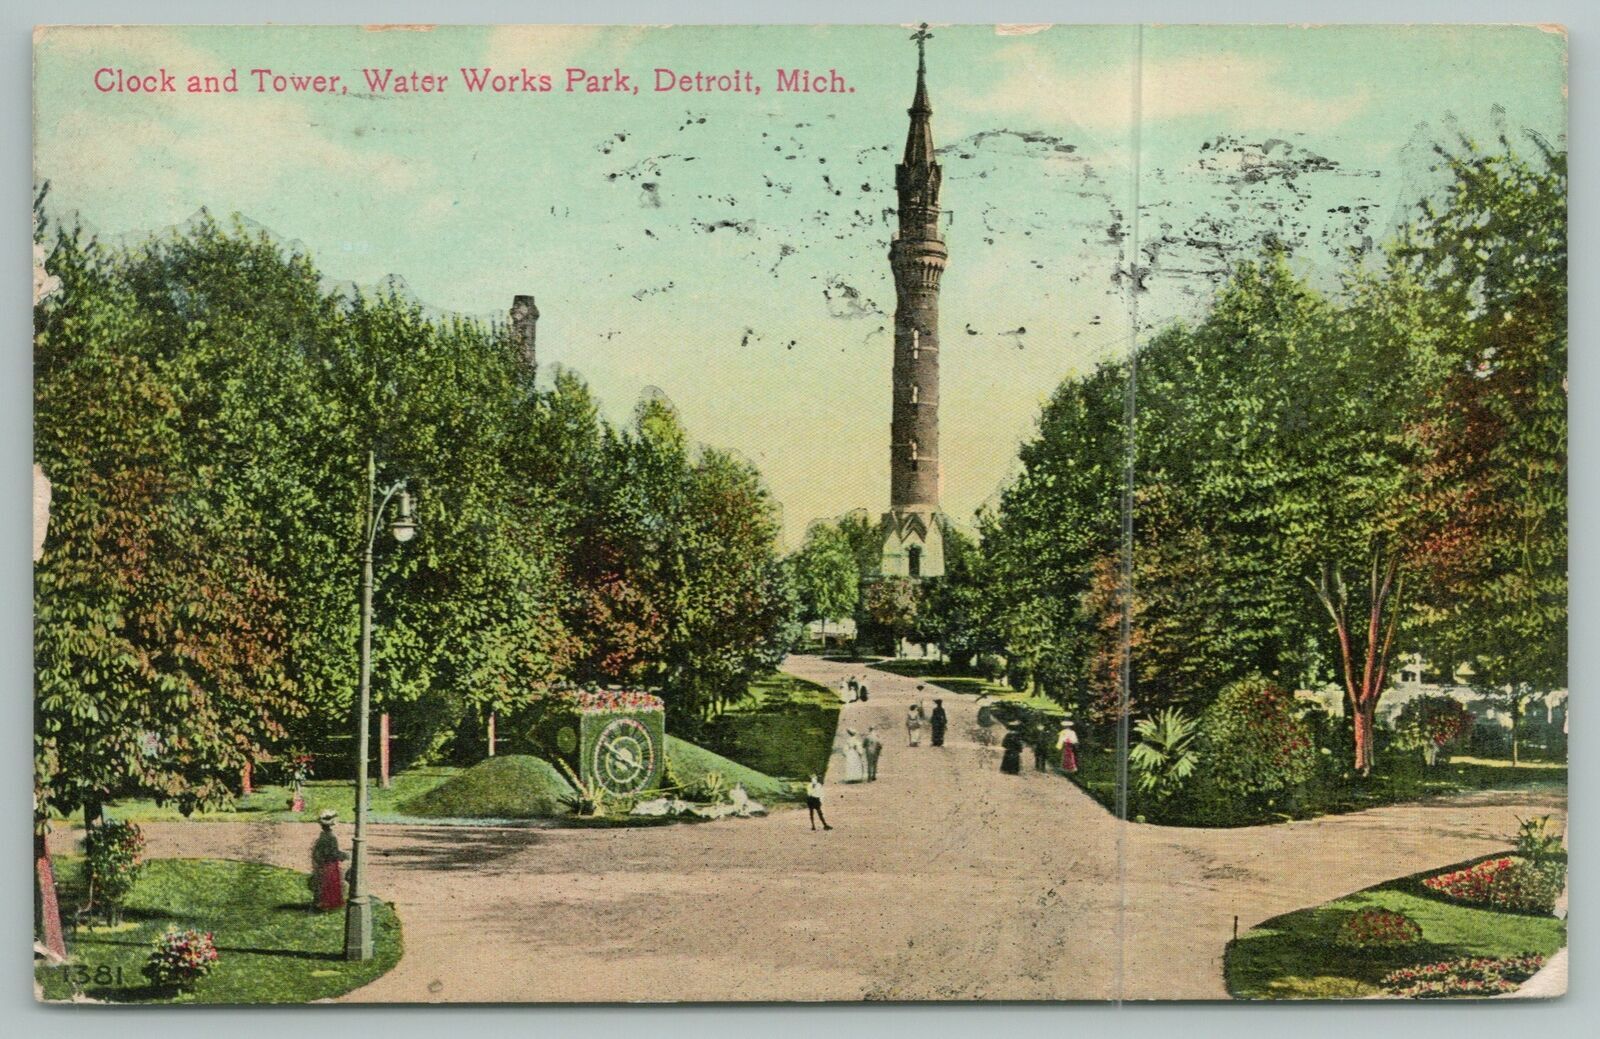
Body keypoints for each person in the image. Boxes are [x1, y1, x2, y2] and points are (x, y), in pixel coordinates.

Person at [309, 809, 347, 911]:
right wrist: (343, 855)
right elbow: (331, 853)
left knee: (325, 883)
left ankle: (325, 903)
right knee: (329, 883)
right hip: (329, 864)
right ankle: (328, 904)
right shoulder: (330, 837)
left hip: (324, 863)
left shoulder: (323, 836)